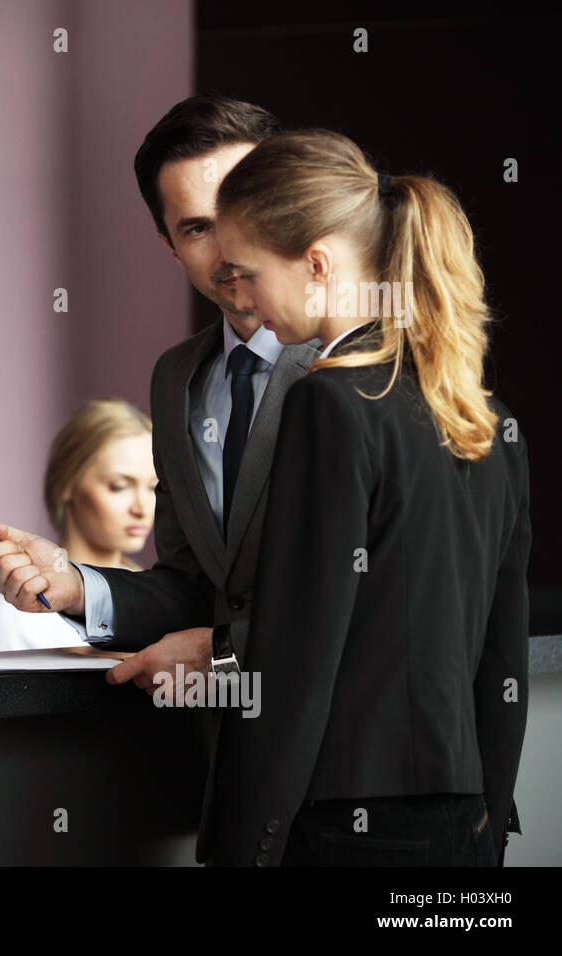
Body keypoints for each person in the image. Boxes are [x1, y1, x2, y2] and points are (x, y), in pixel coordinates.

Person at [0, 95, 323, 865]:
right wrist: (76, 586)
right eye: (196, 228)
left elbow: (401, 596)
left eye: (240, 209)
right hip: (239, 789)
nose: (227, 247)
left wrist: (228, 655)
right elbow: (197, 584)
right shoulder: (177, 379)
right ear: (169, 245)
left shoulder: (369, 358)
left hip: (369, 783)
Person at [196, 129, 529, 866]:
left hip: (347, 832)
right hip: (463, 827)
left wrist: (244, 846)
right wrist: (486, 828)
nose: (240, 298)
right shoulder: (491, 422)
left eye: (247, 273)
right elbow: (502, 659)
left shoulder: (329, 404)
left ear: (317, 263)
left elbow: (296, 660)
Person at [0, 398, 155, 652]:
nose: (142, 508)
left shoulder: (156, 605)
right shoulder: (10, 621)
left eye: (153, 487)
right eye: (119, 486)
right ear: (68, 483)